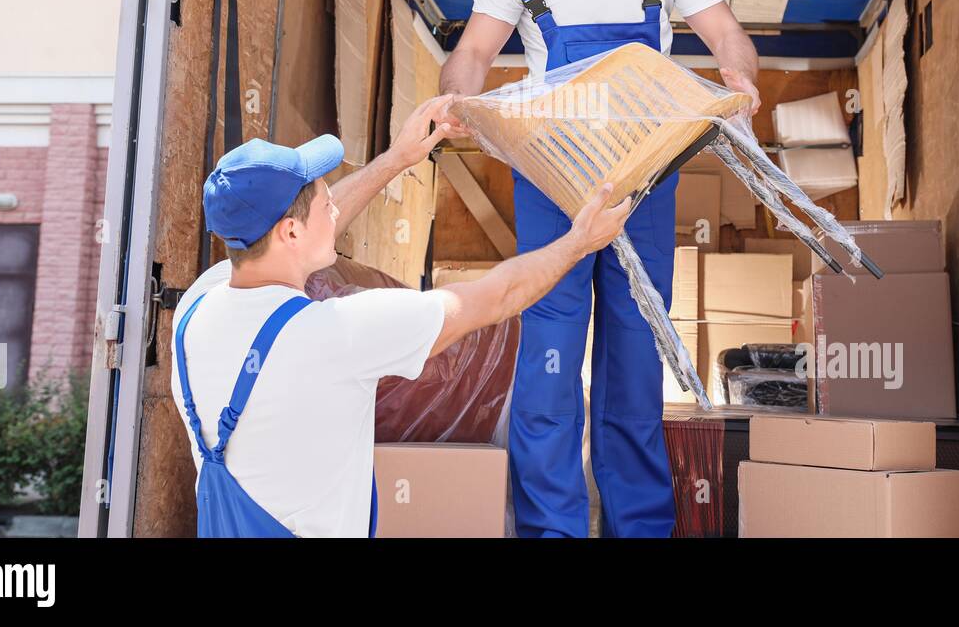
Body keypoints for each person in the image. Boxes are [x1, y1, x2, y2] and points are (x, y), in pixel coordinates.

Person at [439, 0, 761, 537]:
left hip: (643, 172)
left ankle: (638, 527)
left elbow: (724, 33)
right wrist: (458, 97)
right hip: (552, 175)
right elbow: (475, 51)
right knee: (549, 359)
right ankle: (550, 529)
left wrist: (740, 79)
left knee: (635, 355)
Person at [170, 94, 631, 537]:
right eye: (325, 203)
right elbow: (495, 297)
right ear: (290, 232)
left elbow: (292, 235)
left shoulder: (195, 309)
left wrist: (396, 159)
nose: (335, 209)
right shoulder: (337, 334)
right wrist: (579, 242)